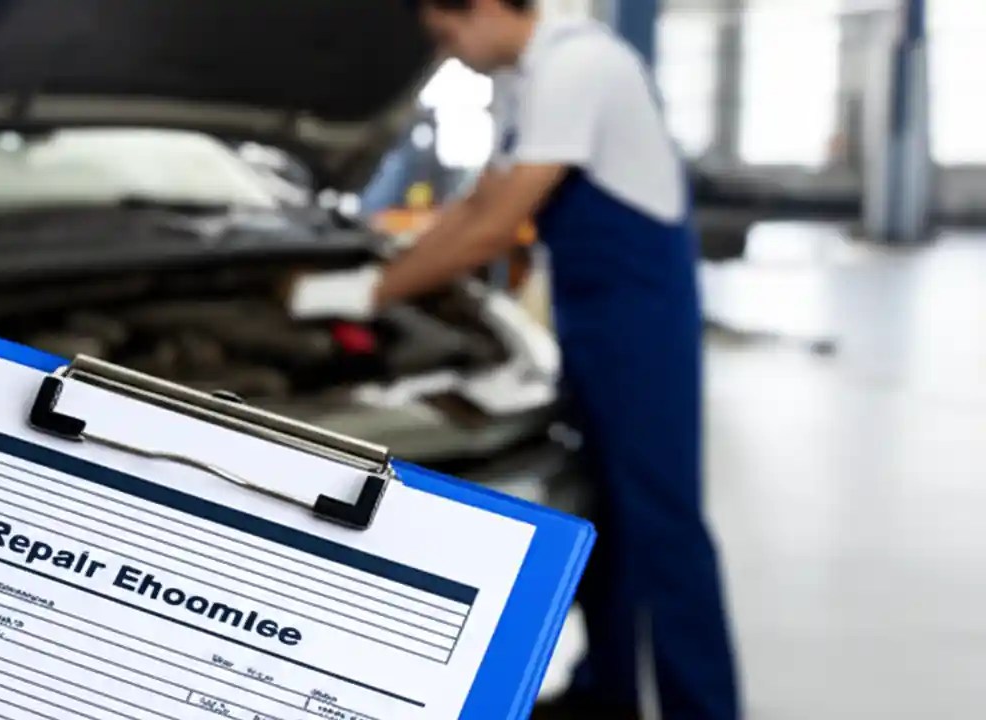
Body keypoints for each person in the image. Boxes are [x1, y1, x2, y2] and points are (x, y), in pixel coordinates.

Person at [285, 1, 740, 718]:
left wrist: (366, 293)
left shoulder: (580, 64)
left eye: (449, 33)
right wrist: (385, 267)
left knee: (661, 520)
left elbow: (497, 227)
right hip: (592, 313)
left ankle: (702, 706)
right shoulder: (526, 78)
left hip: (642, 319)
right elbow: (475, 205)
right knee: (606, 511)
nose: (452, 53)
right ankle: (609, 690)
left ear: (490, 6)